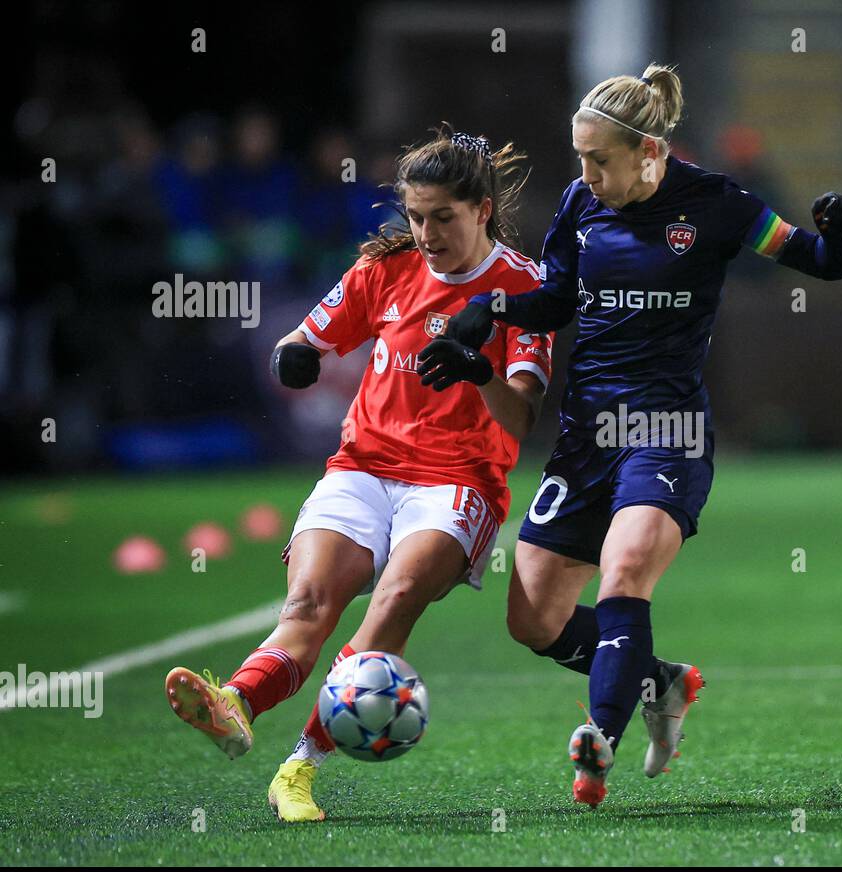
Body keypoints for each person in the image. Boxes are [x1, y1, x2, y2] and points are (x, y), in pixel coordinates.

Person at [419, 64, 842, 807]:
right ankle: (659, 681)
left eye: (601, 160)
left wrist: (839, 232)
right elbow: (555, 299)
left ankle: (600, 739)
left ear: (649, 153)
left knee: (624, 574)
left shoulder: (719, 204)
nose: (586, 175)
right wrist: (491, 310)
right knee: (532, 618)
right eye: (580, 158)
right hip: (588, 436)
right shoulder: (579, 206)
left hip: (667, 431)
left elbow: (822, 263)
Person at [164, 126, 554, 822]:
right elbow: (304, 338)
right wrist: (295, 357)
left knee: (395, 594)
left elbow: (520, 421)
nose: (426, 233)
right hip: (364, 466)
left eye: (443, 217)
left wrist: (481, 370)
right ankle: (236, 704)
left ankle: (300, 769)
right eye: (415, 215)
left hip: (456, 482)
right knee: (309, 605)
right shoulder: (386, 271)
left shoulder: (523, 288)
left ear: (482, 211)